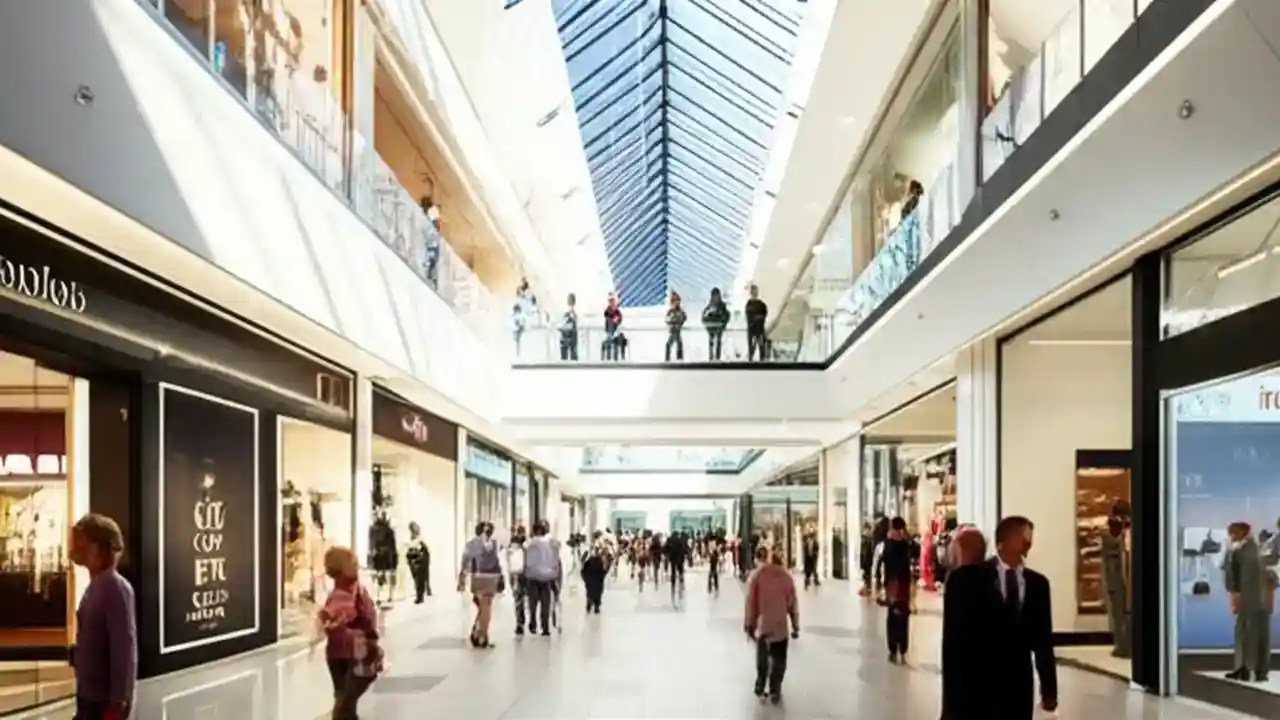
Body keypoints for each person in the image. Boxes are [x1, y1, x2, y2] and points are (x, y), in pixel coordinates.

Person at [988, 515, 1058, 718]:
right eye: (1023, 536)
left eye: (1030, 537)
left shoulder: (1038, 584)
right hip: (984, 680)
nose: (1028, 542)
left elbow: (1043, 640)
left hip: (1020, 681)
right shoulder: (976, 579)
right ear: (1003, 540)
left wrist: (1049, 690)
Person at [69, 514, 136, 720]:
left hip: (102, 702)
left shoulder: (116, 588)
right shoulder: (96, 586)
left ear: (100, 548)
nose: (76, 549)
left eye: (83, 544)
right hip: (89, 695)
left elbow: (124, 650)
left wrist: (118, 702)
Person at [319, 546, 382, 720]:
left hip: (340, 651)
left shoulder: (350, 590)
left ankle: (344, 712)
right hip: (354, 650)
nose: (357, 565)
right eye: (353, 561)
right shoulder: (346, 591)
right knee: (347, 697)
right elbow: (342, 611)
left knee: (344, 694)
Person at [744, 546, 799, 705]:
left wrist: (749, 623)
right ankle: (775, 687)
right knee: (779, 659)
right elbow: (792, 604)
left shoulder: (757, 576)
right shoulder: (786, 578)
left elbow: (751, 602)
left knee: (762, 658)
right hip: (780, 626)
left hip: (763, 626)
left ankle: (760, 685)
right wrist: (795, 625)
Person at [1224, 521, 1273, 682]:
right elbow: (1271, 575)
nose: (1231, 536)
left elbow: (1232, 578)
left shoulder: (1237, 551)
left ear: (1241, 532)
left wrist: (1234, 597)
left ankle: (1243, 669)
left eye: (1233, 532)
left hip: (1247, 599)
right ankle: (1259, 671)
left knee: (1244, 633)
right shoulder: (1262, 549)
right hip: (1262, 599)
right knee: (1261, 635)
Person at [459, 521, 502, 648]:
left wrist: (462, 577)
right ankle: (482, 635)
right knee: (486, 607)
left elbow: (465, 561)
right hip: (486, 577)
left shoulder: (474, 544)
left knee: (484, 607)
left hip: (482, 577)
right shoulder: (492, 544)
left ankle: (479, 633)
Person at [880, 517, 915, 664]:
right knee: (903, 616)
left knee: (893, 616)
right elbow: (916, 552)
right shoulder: (905, 544)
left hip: (892, 584)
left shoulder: (887, 543)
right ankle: (902, 649)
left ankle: (894, 649)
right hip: (903, 584)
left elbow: (880, 564)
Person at [524, 520, 561, 637]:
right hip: (547, 577)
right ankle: (545, 626)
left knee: (532, 603)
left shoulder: (528, 543)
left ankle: (533, 622)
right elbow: (556, 556)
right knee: (546, 603)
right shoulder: (551, 543)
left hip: (532, 576)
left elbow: (525, 560)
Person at [507, 524, 529, 635]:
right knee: (520, 599)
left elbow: (509, 561)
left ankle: (520, 622)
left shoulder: (512, 546)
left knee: (518, 599)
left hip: (515, 574)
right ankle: (520, 621)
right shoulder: (524, 546)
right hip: (521, 574)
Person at [405, 521, 432, 603]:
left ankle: (420, 595)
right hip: (413, 557)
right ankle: (421, 592)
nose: (415, 529)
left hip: (421, 557)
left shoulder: (421, 537)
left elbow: (425, 547)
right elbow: (408, 546)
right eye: (413, 528)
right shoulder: (410, 537)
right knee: (417, 577)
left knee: (420, 577)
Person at [701, 287, 730, 361]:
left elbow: (727, 316)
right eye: (714, 295)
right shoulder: (709, 306)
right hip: (711, 328)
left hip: (719, 327)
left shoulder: (722, 306)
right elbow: (703, 318)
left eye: (717, 295)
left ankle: (717, 357)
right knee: (711, 342)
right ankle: (711, 357)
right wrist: (707, 325)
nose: (716, 297)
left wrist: (723, 324)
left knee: (718, 341)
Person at [744, 284, 768, 362]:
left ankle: (762, 361)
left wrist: (760, 319)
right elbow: (749, 316)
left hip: (760, 329)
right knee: (751, 349)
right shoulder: (749, 304)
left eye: (756, 291)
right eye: (753, 291)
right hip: (752, 330)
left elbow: (764, 314)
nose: (755, 292)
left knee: (761, 347)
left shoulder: (761, 304)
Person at [581, 546, 607, 614]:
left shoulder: (588, 562)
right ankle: (596, 606)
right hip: (597, 583)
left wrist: (585, 579)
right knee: (597, 594)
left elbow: (583, 572)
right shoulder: (600, 562)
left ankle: (590, 604)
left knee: (590, 593)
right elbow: (603, 572)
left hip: (590, 583)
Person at [665, 291, 687, 362]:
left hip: (677, 330)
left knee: (678, 343)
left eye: (677, 301)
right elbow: (667, 319)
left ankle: (679, 358)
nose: (676, 303)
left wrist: (680, 322)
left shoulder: (681, 311)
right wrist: (671, 322)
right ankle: (668, 359)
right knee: (669, 344)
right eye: (674, 301)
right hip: (673, 330)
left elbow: (684, 318)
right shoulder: (671, 311)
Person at [666, 530, 688, 597]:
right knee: (680, 570)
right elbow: (683, 549)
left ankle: (673, 584)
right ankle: (681, 581)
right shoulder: (680, 540)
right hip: (679, 558)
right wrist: (684, 555)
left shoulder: (669, 540)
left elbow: (665, 548)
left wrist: (668, 554)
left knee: (673, 572)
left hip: (672, 558)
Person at [559, 293, 579, 361]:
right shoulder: (566, 311)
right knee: (565, 354)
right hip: (566, 335)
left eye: (570, 300)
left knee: (573, 354)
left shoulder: (573, 312)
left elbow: (574, 321)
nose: (569, 301)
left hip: (571, 335)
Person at [603, 292, 623, 361]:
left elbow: (619, 320)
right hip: (609, 331)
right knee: (609, 341)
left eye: (613, 301)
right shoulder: (607, 310)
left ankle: (615, 359)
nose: (612, 303)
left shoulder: (617, 311)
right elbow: (607, 317)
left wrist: (615, 319)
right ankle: (608, 359)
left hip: (616, 331)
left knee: (616, 341)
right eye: (610, 301)